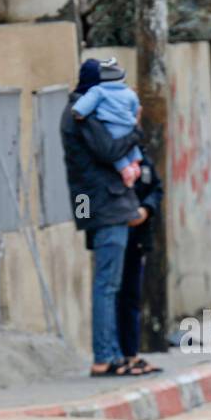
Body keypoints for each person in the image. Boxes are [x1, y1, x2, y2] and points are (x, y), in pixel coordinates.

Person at [61, 58, 147, 377]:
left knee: (110, 283)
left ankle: (112, 354)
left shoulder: (86, 109)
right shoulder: (82, 114)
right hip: (104, 204)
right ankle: (105, 357)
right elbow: (109, 151)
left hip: (102, 202)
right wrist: (136, 128)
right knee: (107, 284)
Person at [116, 148, 165, 374]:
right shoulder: (102, 152)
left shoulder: (140, 156)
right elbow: (83, 192)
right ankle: (110, 356)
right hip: (111, 232)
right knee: (110, 294)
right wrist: (87, 222)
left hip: (137, 236)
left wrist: (145, 209)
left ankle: (131, 353)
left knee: (132, 296)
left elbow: (156, 187)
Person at [71, 58, 144, 187]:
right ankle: (130, 167)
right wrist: (136, 130)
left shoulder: (94, 103)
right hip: (91, 195)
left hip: (99, 193)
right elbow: (110, 151)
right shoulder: (89, 113)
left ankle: (131, 166)